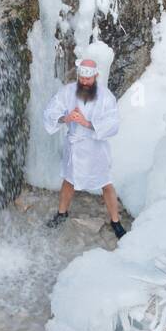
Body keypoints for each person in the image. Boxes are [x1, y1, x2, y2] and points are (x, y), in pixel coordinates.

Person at [42, 57, 126, 238]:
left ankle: (115, 221)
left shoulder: (106, 96)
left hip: (96, 148)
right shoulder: (67, 92)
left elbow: (113, 123)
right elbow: (50, 112)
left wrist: (87, 123)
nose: (85, 82)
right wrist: (67, 118)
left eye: (88, 79)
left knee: (106, 183)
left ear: (95, 76)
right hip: (75, 147)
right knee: (69, 180)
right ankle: (62, 213)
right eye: (82, 79)